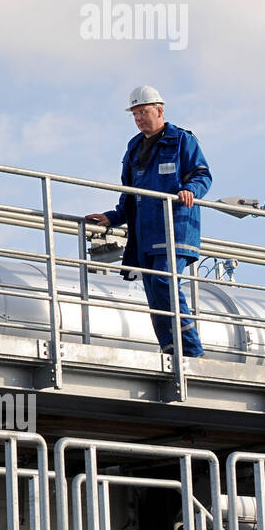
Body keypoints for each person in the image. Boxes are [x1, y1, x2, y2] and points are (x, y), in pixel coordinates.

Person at [86, 86, 211, 357]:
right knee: (154, 295)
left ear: (159, 111)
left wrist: (190, 191)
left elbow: (202, 174)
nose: (139, 118)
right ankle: (171, 351)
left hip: (174, 228)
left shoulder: (181, 140)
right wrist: (113, 217)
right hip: (144, 234)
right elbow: (130, 193)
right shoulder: (134, 147)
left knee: (166, 284)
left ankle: (193, 352)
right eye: (135, 114)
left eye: (143, 112)